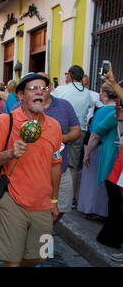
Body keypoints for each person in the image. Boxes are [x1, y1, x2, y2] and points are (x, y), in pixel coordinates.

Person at [0, 73, 63, 267]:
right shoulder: (5, 121)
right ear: (20, 95)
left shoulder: (55, 127)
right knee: (11, 261)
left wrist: (54, 201)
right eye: (33, 89)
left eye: (43, 89)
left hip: (43, 204)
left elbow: (56, 164)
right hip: (13, 200)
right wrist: (10, 153)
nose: (39, 93)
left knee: (40, 256)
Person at [12, 73, 80, 221]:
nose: (39, 90)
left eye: (43, 86)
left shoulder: (64, 105)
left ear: (50, 88)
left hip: (60, 169)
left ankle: (47, 229)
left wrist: (56, 139)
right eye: (34, 87)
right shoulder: (19, 107)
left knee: (61, 206)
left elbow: (76, 130)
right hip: (30, 173)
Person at [84, 84, 122, 249]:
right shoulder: (115, 112)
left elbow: (95, 133)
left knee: (115, 199)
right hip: (115, 156)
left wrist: (87, 154)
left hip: (114, 159)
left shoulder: (115, 113)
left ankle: (111, 236)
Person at [52, 65, 95, 208]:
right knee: (73, 165)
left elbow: (52, 105)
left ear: (69, 75)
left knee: (55, 160)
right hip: (80, 130)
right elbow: (91, 107)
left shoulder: (61, 90)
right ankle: (72, 198)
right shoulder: (87, 93)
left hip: (62, 129)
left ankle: (55, 193)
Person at [78, 83, 118, 219]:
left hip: (99, 149)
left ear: (105, 95)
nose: (99, 94)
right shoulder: (117, 110)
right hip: (114, 150)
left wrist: (87, 153)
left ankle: (91, 210)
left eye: (100, 92)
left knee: (93, 183)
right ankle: (105, 211)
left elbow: (95, 135)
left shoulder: (102, 111)